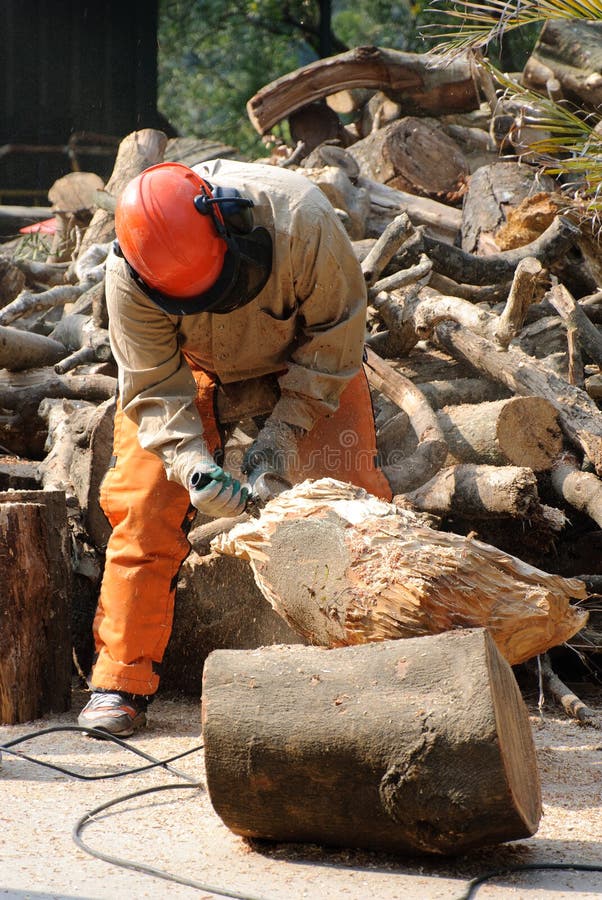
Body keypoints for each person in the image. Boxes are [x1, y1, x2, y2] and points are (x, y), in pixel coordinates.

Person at [77, 158, 392, 736]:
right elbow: (151, 384)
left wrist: (281, 437)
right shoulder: (128, 274)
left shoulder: (303, 222)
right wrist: (192, 464)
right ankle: (120, 680)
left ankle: (375, 669)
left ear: (231, 226)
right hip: (191, 370)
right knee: (142, 503)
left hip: (303, 360)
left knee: (355, 502)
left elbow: (337, 340)